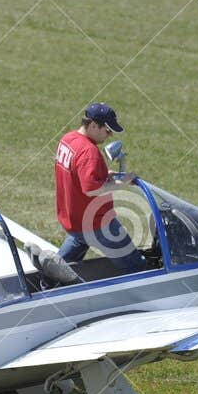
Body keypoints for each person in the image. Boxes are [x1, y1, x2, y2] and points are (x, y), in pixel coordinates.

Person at [51, 102, 147, 273]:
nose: (109, 135)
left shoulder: (68, 140)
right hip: (97, 223)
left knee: (66, 264)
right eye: (107, 130)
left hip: (76, 222)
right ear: (94, 125)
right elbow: (91, 189)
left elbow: (77, 173)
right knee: (136, 267)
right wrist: (123, 182)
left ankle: (48, 280)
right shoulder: (89, 151)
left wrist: (102, 174)